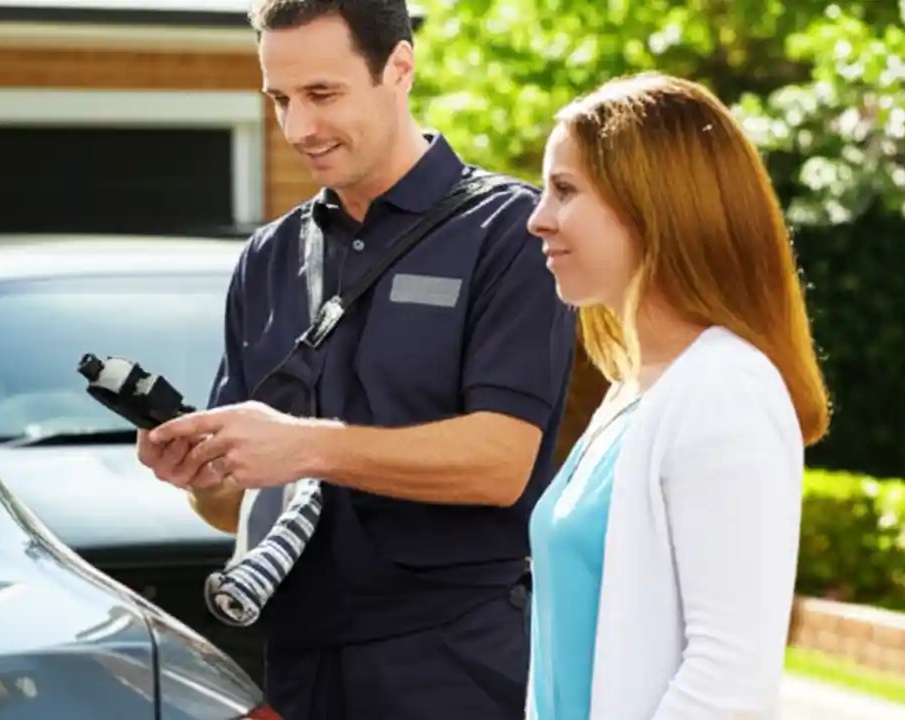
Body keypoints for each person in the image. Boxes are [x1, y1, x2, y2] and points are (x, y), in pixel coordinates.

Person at [135, 0, 576, 717]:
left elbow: (500, 464)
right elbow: (230, 510)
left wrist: (305, 448)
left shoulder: (509, 235)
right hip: (297, 669)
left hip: (453, 669)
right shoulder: (267, 258)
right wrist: (200, 472)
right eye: (279, 98)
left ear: (399, 68)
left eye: (322, 94)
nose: (297, 128)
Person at [522, 72, 832, 720]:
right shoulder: (634, 389)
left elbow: (728, 683)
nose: (537, 218)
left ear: (651, 205)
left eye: (565, 190)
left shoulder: (726, 393)